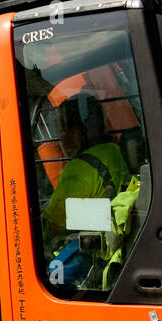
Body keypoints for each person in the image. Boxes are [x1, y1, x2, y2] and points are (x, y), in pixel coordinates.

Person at [41, 94, 129, 289]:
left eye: (67, 129)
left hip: (81, 262)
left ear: (84, 129)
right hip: (111, 253)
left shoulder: (80, 168)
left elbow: (53, 225)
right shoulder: (112, 151)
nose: (63, 137)